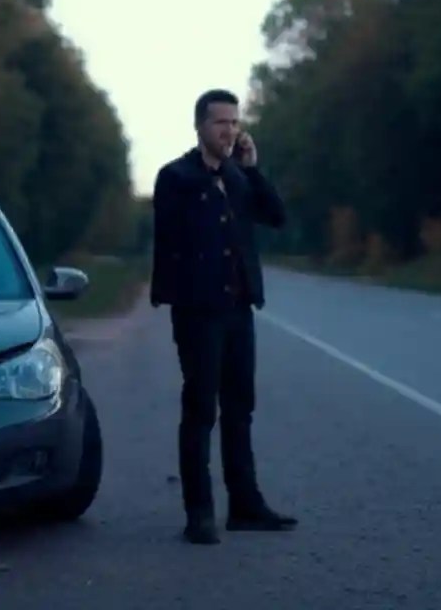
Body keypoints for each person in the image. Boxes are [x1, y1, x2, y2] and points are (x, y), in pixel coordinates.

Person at [150, 88, 297, 545]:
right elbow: (175, 231)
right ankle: (199, 512)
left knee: (240, 408)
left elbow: (276, 216)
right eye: (220, 123)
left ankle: (245, 506)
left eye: (234, 122)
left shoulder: (238, 176)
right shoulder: (175, 177)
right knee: (200, 410)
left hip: (238, 310)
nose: (229, 131)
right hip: (197, 313)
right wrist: (212, 181)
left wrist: (251, 170)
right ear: (200, 126)